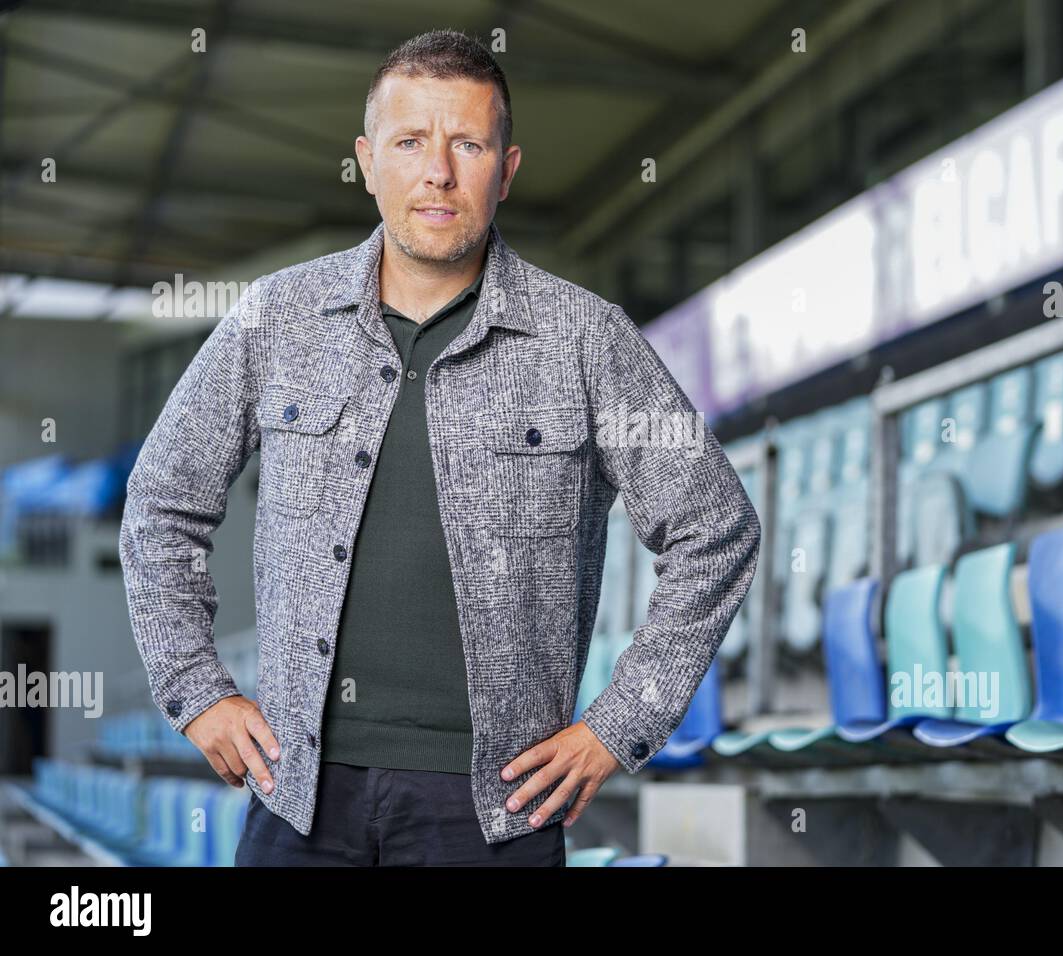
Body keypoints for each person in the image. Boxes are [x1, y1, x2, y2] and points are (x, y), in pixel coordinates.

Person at [119, 28, 761, 867]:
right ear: (367, 158)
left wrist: (620, 726)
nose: (438, 172)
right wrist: (196, 692)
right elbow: (162, 501)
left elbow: (716, 529)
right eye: (410, 142)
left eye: (468, 143)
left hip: (496, 812)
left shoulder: (586, 339)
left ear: (508, 167)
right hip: (299, 792)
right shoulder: (273, 320)